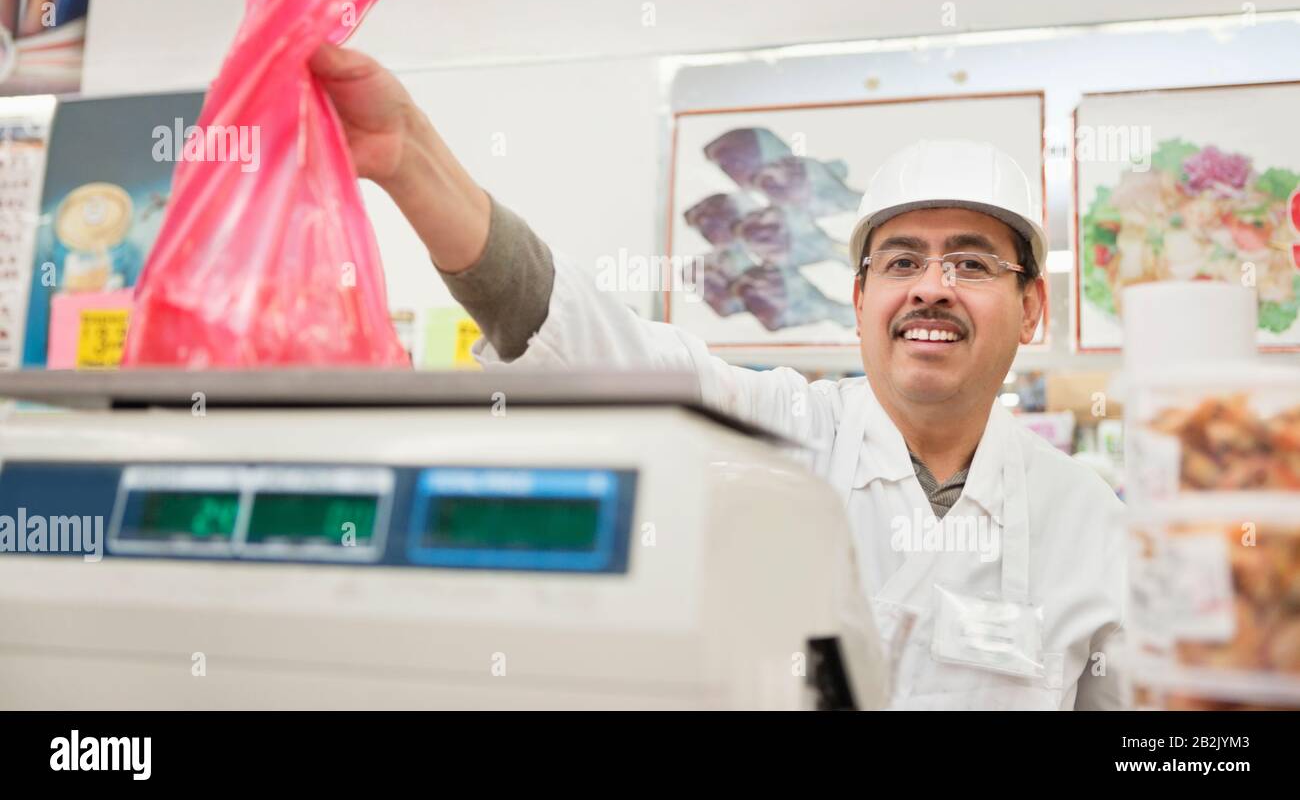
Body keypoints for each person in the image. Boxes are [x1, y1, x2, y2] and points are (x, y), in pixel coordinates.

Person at [310, 42, 1126, 710]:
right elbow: (593, 343)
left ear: (1031, 309)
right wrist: (412, 159)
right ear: (859, 299)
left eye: (971, 263)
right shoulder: (772, 429)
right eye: (902, 259)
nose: (931, 285)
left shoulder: (1085, 515)